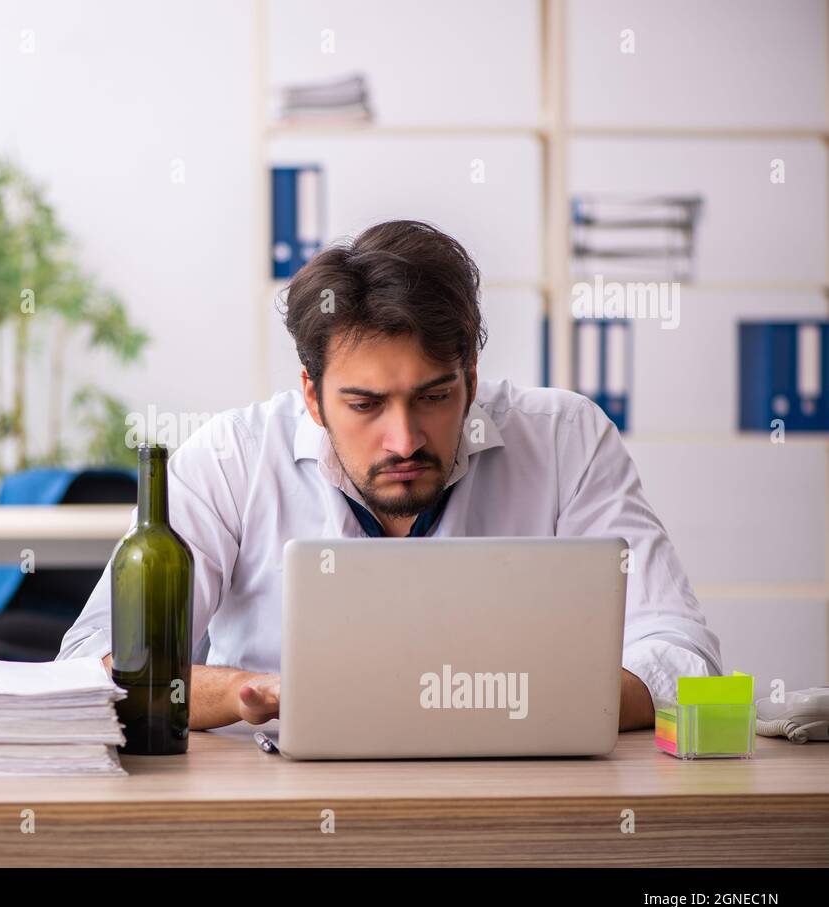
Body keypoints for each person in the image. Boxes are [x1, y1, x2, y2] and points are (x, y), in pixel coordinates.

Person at [57, 220, 722, 732]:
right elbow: (90, 668)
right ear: (312, 397)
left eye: (433, 397)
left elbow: (683, 658)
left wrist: (512, 699)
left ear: (470, 378)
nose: (403, 439)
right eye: (365, 405)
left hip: (516, 811)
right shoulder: (232, 458)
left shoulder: (565, 438)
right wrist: (251, 691)